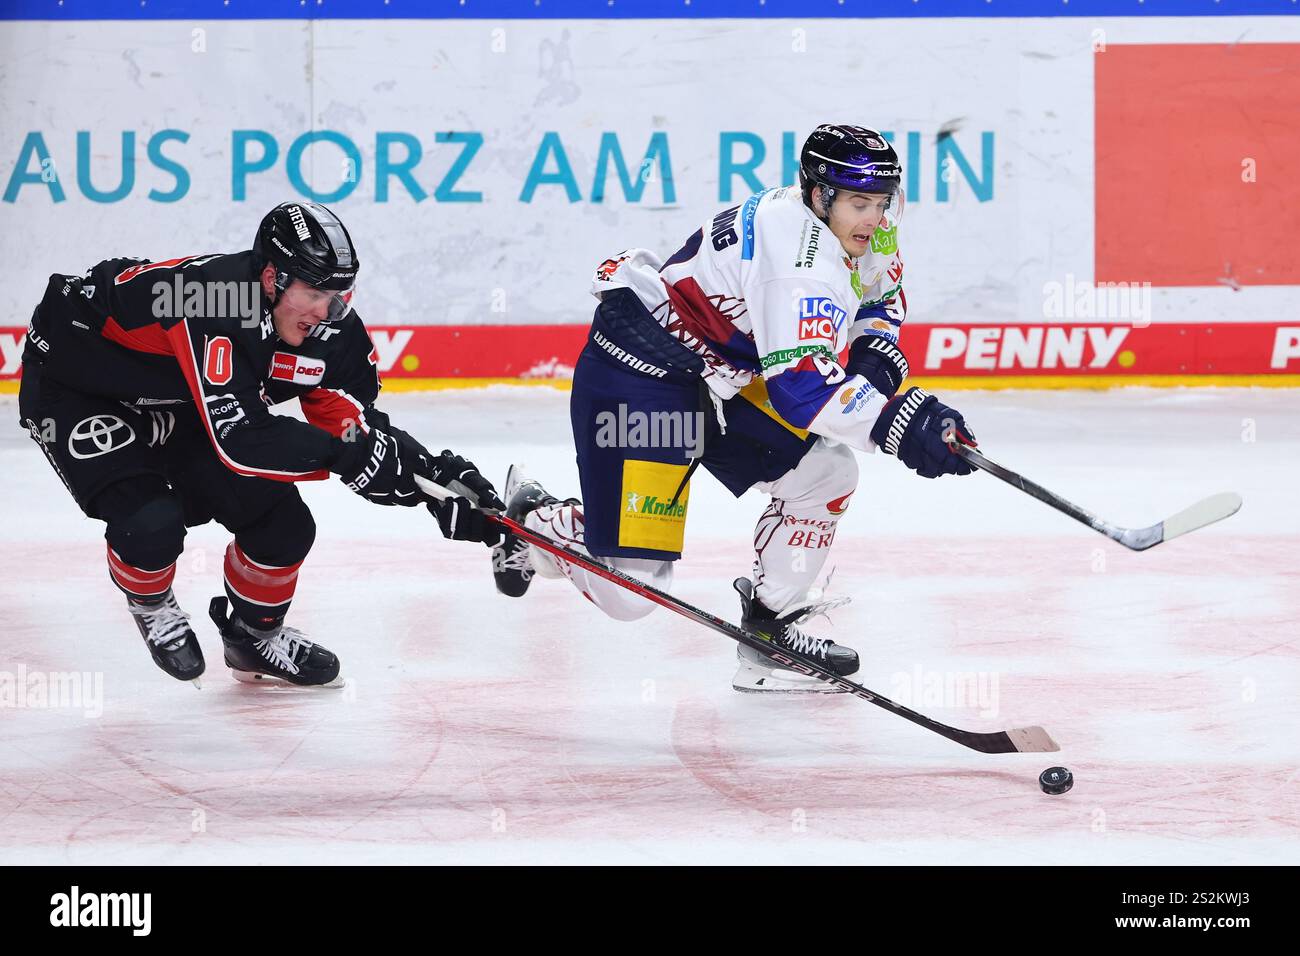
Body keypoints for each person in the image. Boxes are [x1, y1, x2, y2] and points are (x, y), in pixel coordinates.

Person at [490, 124, 977, 692]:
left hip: (725, 374)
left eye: (881, 201)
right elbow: (803, 390)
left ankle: (770, 629)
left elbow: (880, 295)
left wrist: (873, 358)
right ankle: (539, 519)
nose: (874, 217)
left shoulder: (860, 224)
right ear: (820, 196)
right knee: (630, 593)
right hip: (644, 374)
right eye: (859, 204)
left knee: (826, 473)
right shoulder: (798, 260)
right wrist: (901, 423)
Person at [18, 201, 502, 687]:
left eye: (337, 294)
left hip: (184, 396)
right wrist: (345, 457)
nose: (324, 311)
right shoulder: (211, 298)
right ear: (272, 277)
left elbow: (355, 426)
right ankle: (150, 601)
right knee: (149, 524)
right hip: (79, 388)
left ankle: (252, 637)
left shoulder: (331, 330)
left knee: (284, 525)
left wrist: (432, 480)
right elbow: (244, 440)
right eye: (313, 292)